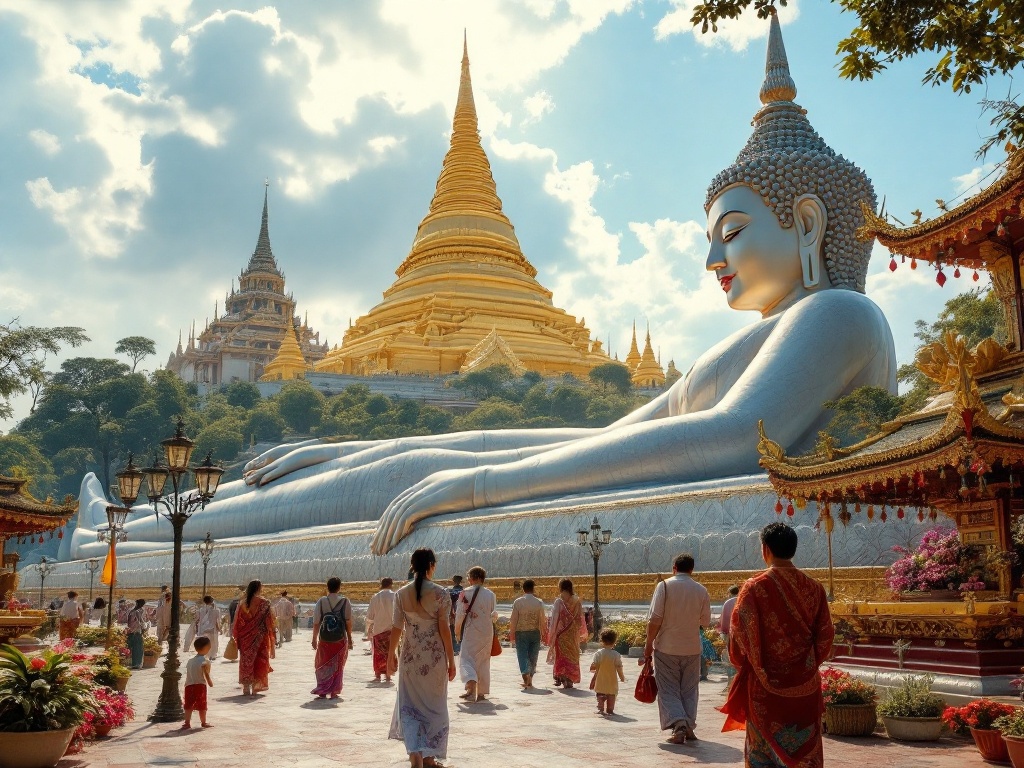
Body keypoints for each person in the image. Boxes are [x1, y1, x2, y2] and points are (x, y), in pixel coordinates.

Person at [720, 522, 834, 767]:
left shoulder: (753, 588)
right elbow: (825, 638)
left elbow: (739, 641)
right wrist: (806, 665)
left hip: (764, 688)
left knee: (763, 754)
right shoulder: (814, 588)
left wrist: (754, 666)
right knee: (805, 755)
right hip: (805, 689)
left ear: (765, 549)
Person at [388, 549, 456, 768]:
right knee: (434, 706)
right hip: (434, 659)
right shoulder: (441, 594)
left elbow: (397, 628)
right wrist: (451, 659)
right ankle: (428, 757)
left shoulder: (401, 594)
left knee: (409, 706)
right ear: (431, 566)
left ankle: (416, 753)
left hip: (410, 658)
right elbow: (444, 629)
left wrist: (390, 655)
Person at [643, 552, 712, 745]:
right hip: (692, 648)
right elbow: (705, 622)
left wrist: (648, 644)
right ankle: (688, 724)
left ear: (674, 568)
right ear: (692, 570)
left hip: (667, 647)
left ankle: (679, 723)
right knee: (690, 689)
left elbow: (655, 619)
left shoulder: (664, 586)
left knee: (668, 689)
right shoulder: (701, 590)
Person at [454, 565, 497, 702]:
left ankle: (471, 687)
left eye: (469, 577)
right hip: (486, 632)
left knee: (466, 658)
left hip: (471, 630)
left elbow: (459, 615)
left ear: (474, 578)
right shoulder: (491, 594)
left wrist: (457, 631)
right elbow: (494, 615)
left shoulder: (465, 593)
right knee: (483, 660)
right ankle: (482, 692)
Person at [311, 577, 353, 699]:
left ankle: (323, 689)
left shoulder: (321, 601)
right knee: (338, 664)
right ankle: (334, 690)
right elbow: (348, 622)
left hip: (324, 639)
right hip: (340, 639)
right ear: (339, 587)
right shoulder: (345, 602)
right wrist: (350, 638)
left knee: (322, 663)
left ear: (327, 587)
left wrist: (314, 638)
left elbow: (316, 622)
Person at [232, 580, 275, 696]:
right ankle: (256, 686)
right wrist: (272, 636)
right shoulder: (265, 603)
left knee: (246, 661)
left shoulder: (242, 604)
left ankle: (246, 687)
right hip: (260, 638)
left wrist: (238, 635)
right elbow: (269, 622)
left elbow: (238, 622)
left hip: (244, 638)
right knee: (259, 660)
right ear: (259, 589)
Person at [546, 578, 587, 688]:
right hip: (573, 634)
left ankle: (562, 677)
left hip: (561, 634)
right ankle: (570, 678)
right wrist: (579, 631)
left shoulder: (559, 602)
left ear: (560, 587)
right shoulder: (577, 601)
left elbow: (554, 620)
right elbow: (580, 619)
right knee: (572, 656)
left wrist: (552, 634)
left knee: (561, 656)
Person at [509, 579, 546, 689]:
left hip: (521, 632)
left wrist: (511, 634)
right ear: (533, 589)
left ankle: (526, 676)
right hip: (535, 632)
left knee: (522, 655)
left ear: (523, 589)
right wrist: (543, 633)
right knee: (533, 655)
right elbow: (542, 620)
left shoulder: (518, 602)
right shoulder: (539, 602)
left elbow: (513, 620)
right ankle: (530, 676)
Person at [366, 578, 397, 682]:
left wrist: (368, 628)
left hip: (378, 629)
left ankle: (378, 674)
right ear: (391, 585)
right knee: (389, 652)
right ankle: (388, 674)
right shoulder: (395, 596)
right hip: (391, 629)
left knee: (378, 653)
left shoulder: (375, 597)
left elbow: (370, 616)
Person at [590, 628, 626, 715]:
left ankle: (601, 708)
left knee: (600, 694)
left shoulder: (598, 654)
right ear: (614, 642)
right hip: (611, 681)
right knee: (611, 695)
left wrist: (593, 675)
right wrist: (622, 677)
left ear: (601, 641)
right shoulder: (616, 655)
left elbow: (593, 667)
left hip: (600, 679)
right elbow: (619, 667)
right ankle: (610, 709)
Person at [183, 636, 214, 730]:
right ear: (206, 648)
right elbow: (206, 674)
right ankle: (203, 722)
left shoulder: (190, 661)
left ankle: (187, 722)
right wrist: (210, 683)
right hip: (200, 685)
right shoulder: (205, 661)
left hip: (188, 685)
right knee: (202, 705)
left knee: (188, 705)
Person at [719, 585, 740, 687]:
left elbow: (724, 621)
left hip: (730, 635)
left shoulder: (728, 603)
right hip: (743, 635)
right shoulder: (743, 599)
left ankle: (730, 683)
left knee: (730, 658)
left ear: (730, 593)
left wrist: (723, 633)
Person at [196, 595, 222, 660]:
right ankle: (212, 656)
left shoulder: (201, 610)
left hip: (203, 629)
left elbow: (198, 620)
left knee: (204, 642)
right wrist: (219, 629)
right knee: (213, 643)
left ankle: (205, 654)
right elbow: (217, 622)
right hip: (212, 629)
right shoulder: (216, 610)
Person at [126, 598, 148, 669]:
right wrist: (144, 628)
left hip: (131, 632)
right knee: (137, 649)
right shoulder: (136, 612)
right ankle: (137, 664)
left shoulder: (132, 611)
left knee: (133, 648)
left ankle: (135, 663)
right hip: (136, 632)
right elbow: (140, 623)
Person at [448, 575, 464, 655]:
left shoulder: (450, 591)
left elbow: (449, 602)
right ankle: (460, 647)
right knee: (461, 629)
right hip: (461, 612)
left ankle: (455, 648)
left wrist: (451, 612)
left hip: (453, 612)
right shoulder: (464, 590)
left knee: (453, 630)